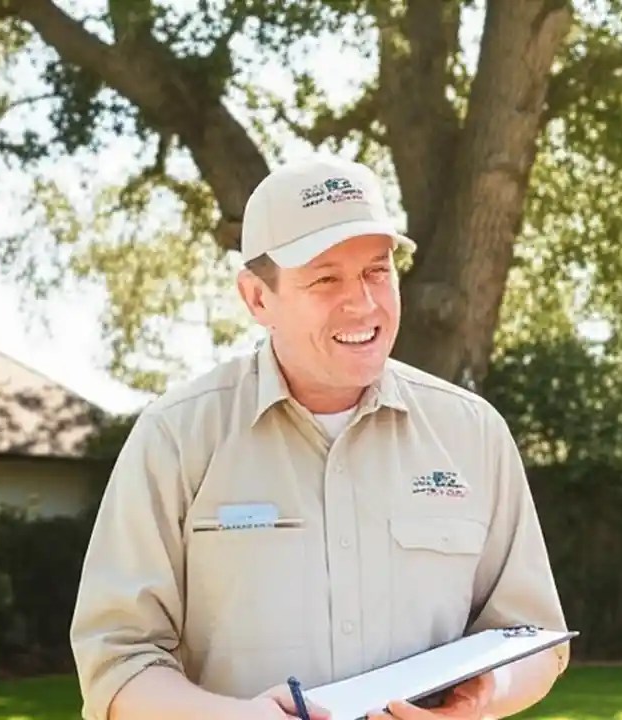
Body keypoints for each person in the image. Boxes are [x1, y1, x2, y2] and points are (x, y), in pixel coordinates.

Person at [69, 153, 570, 720]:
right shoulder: (176, 438)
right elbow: (116, 662)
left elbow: (534, 637)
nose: (362, 303)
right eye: (326, 278)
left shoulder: (473, 434)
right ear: (258, 298)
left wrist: (487, 695)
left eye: (377, 271)